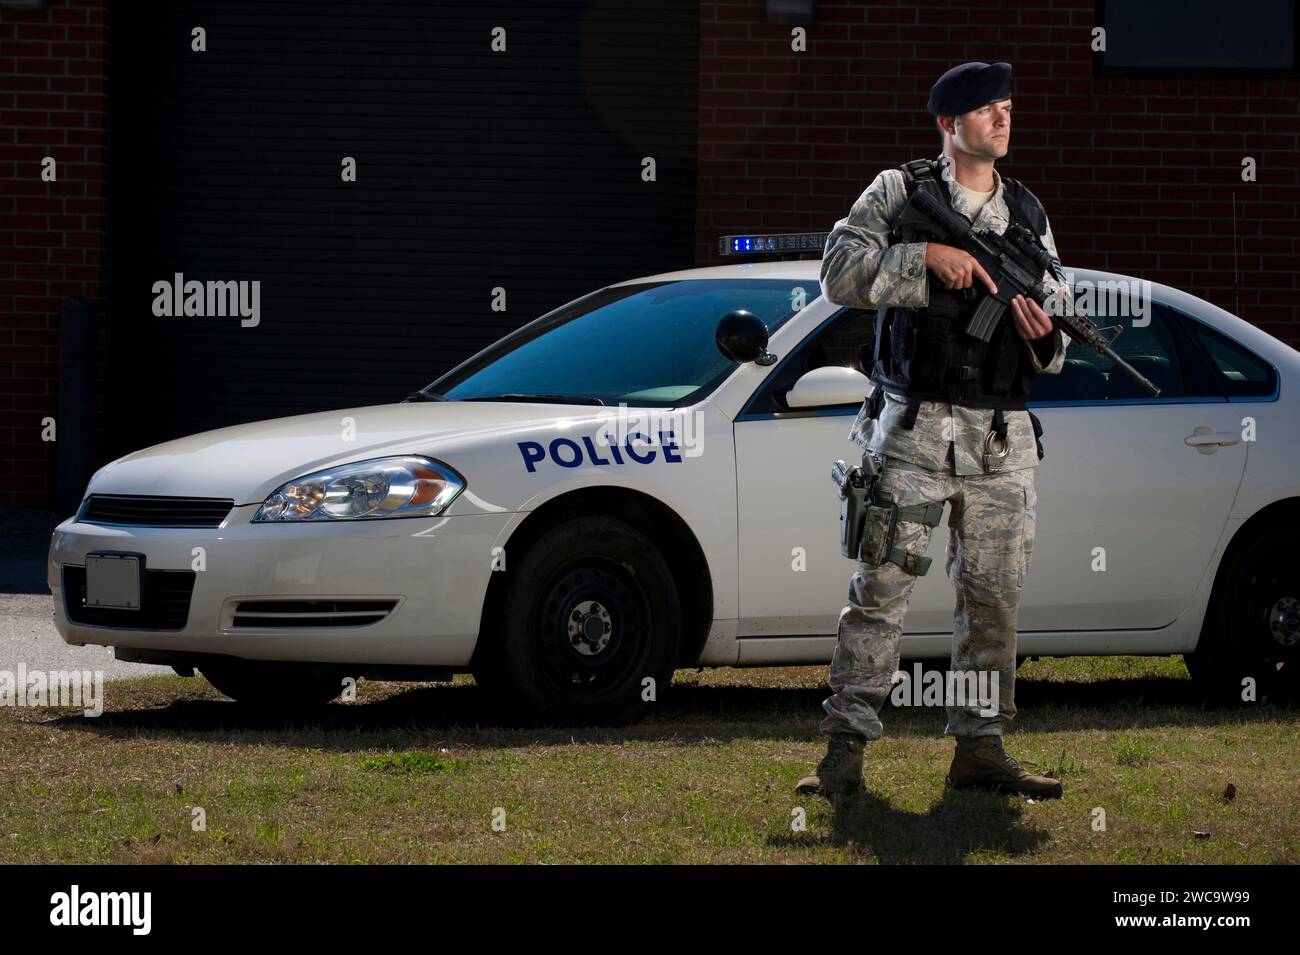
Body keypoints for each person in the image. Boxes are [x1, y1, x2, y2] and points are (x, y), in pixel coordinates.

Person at [796, 61, 1070, 802]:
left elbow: (1058, 325)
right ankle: (843, 751)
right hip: (913, 431)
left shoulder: (1030, 212)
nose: (1004, 120)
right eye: (988, 110)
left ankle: (980, 746)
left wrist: (1044, 334)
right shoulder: (899, 190)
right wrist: (926, 260)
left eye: (1008, 108)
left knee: (992, 600)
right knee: (879, 591)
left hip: (1001, 440)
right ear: (949, 124)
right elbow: (838, 271)